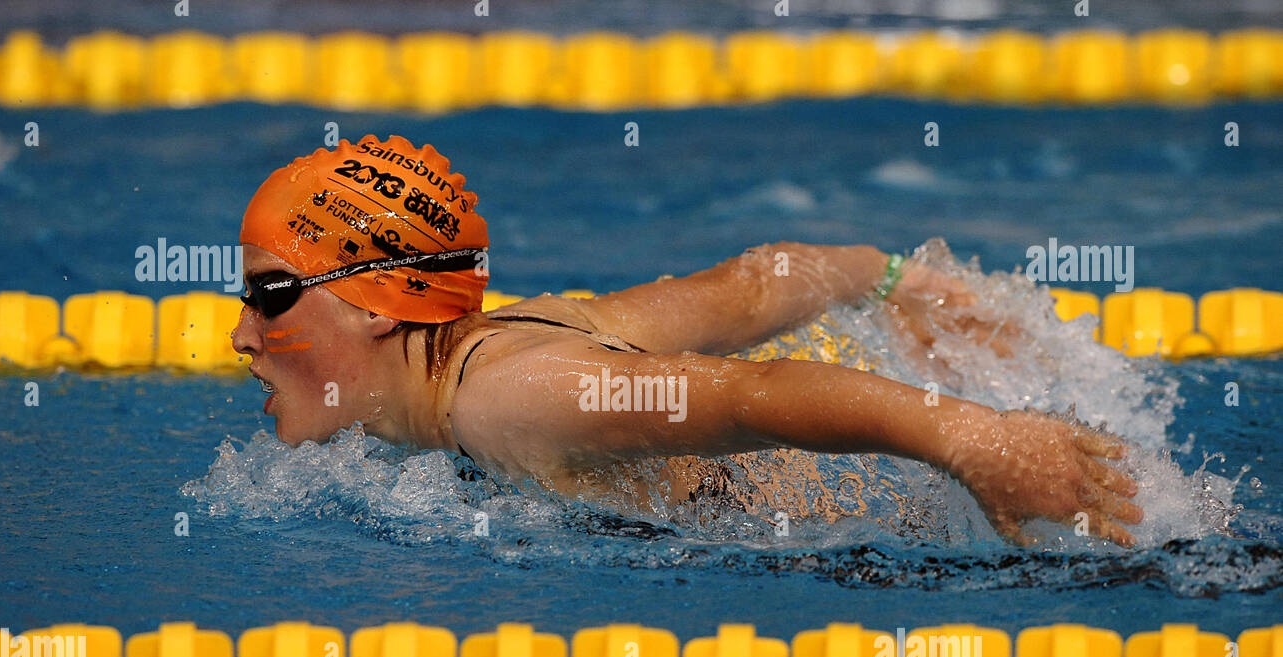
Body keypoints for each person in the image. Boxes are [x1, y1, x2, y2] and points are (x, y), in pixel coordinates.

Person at [233, 135, 1143, 546]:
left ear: (378, 303)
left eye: (268, 295)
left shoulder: (508, 397)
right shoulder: (519, 332)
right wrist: (893, 277)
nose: (242, 335)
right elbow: (750, 286)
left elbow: (754, 393)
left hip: (893, 563)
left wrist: (976, 441)